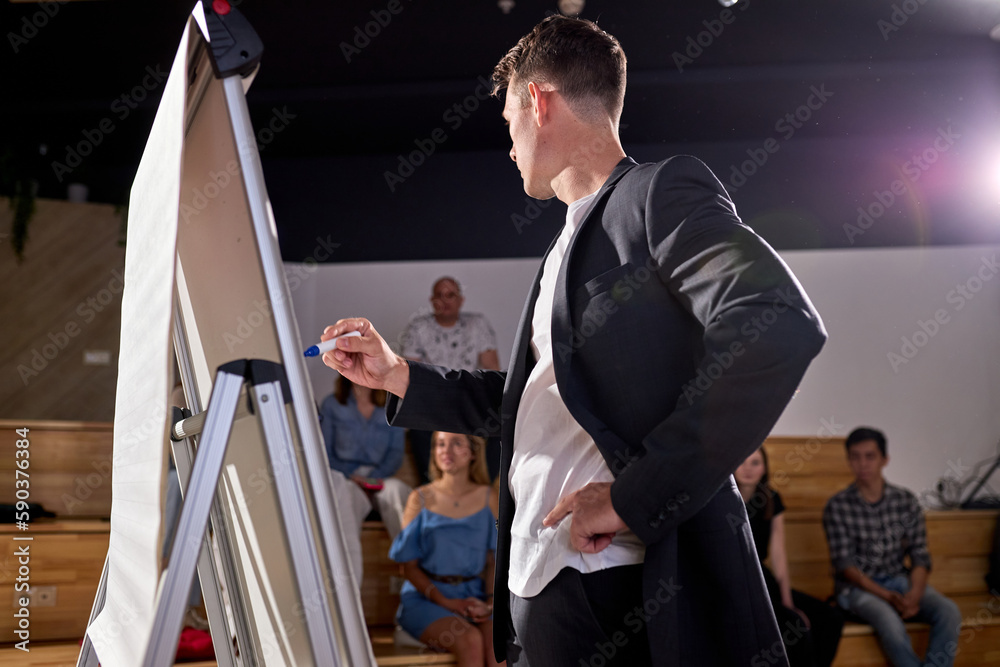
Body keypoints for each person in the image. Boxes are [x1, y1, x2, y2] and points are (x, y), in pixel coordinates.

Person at [320, 14, 826, 667]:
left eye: (508, 122)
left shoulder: (657, 194)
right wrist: (395, 373)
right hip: (539, 583)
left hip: (612, 580)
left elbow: (776, 319)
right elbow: (523, 404)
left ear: (538, 100)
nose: (507, 146)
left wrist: (632, 496)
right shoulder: (564, 244)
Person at [822, 427, 962, 667]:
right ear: (848, 461)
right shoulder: (837, 506)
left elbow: (920, 556)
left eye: (870, 456)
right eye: (855, 457)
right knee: (890, 622)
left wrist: (914, 595)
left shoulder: (905, 500)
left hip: (900, 580)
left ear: (884, 459)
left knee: (949, 612)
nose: (862, 464)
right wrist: (889, 597)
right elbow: (847, 568)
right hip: (858, 589)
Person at [390, 431, 503, 667]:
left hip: (474, 597)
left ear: (473, 453)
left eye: (456, 443)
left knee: (498, 647)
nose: (446, 451)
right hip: (427, 599)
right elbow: (408, 567)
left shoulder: (489, 498)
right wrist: (447, 603)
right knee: (469, 640)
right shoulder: (419, 498)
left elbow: (494, 560)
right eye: (440, 444)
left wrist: (490, 603)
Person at [735, 447, 844, 667]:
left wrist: (787, 602)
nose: (748, 469)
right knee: (794, 626)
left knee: (830, 618)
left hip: (764, 579)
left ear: (764, 468)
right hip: (739, 584)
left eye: (755, 463)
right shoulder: (723, 501)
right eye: (742, 462)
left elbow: (778, 555)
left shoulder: (771, 499)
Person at [402, 276, 501, 484]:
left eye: (450, 295)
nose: (444, 300)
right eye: (439, 295)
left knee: (498, 421)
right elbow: (411, 376)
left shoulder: (477, 324)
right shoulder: (418, 327)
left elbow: (492, 370)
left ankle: (483, 490)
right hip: (432, 405)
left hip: (469, 401)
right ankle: (432, 490)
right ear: (431, 300)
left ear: (460, 300)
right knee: (416, 420)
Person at [320, 374, 410, 541]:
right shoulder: (332, 404)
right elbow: (324, 452)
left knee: (397, 491)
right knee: (347, 495)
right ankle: (349, 565)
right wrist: (352, 477)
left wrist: (372, 478)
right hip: (346, 478)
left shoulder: (392, 405)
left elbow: (396, 453)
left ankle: (411, 561)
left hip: (380, 477)